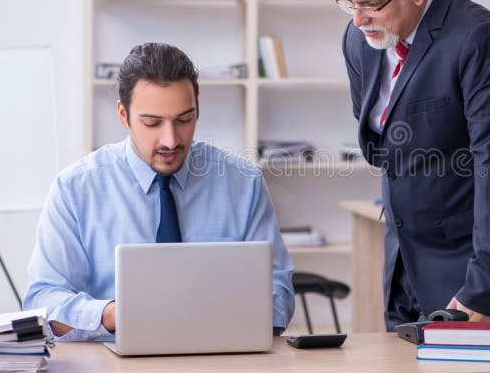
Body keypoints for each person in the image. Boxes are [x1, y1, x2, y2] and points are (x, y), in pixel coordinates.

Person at [24, 43, 295, 341]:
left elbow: (278, 291)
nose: (170, 139)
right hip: (114, 368)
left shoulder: (243, 183)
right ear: (123, 115)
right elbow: (42, 301)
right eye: (152, 123)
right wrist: (114, 314)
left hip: (221, 359)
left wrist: (219, 311)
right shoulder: (75, 189)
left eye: (184, 120)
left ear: (198, 110)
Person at [339, 0, 490, 329]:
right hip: (401, 257)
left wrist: (482, 288)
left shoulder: (480, 40)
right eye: (348, 2)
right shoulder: (359, 39)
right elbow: (382, 137)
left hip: (461, 264)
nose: (358, 19)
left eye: (370, 4)